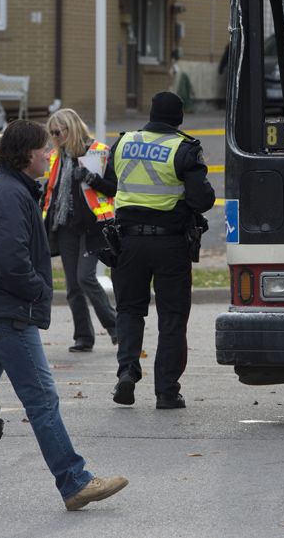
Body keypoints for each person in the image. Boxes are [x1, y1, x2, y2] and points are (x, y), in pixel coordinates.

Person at [0, 120, 127, 514]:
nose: (50, 156)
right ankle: (75, 481)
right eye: (44, 150)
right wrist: (37, 290)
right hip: (6, 313)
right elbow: (9, 259)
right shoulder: (8, 195)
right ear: (26, 154)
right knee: (42, 399)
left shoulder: (8, 189)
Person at [105, 91, 215, 409]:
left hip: (127, 243)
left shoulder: (124, 142)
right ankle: (166, 390)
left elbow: (112, 184)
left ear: (151, 113)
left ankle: (127, 371)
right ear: (178, 118)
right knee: (172, 316)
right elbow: (202, 200)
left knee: (129, 310)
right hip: (169, 243)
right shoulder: (184, 148)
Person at [44, 108, 118, 352]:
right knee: (72, 286)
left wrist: (91, 178)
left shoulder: (98, 152)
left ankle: (116, 326)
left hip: (93, 227)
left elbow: (113, 189)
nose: (55, 137)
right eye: (52, 133)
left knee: (85, 278)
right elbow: (52, 190)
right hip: (65, 227)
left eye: (58, 132)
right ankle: (83, 337)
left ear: (71, 128)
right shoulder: (58, 156)